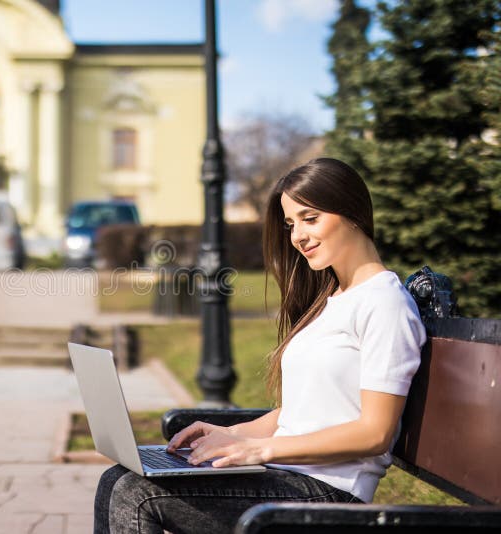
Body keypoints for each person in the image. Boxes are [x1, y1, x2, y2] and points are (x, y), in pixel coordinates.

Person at [93, 158, 426, 533]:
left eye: (310, 218)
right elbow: (304, 413)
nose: (298, 235)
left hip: (328, 492)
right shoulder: (334, 300)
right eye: (290, 224)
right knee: (115, 479)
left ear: (352, 213)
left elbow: (375, 433)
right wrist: (235, 433)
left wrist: (260, 450)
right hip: (288, 475)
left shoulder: (384, 303)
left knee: (136, 493)